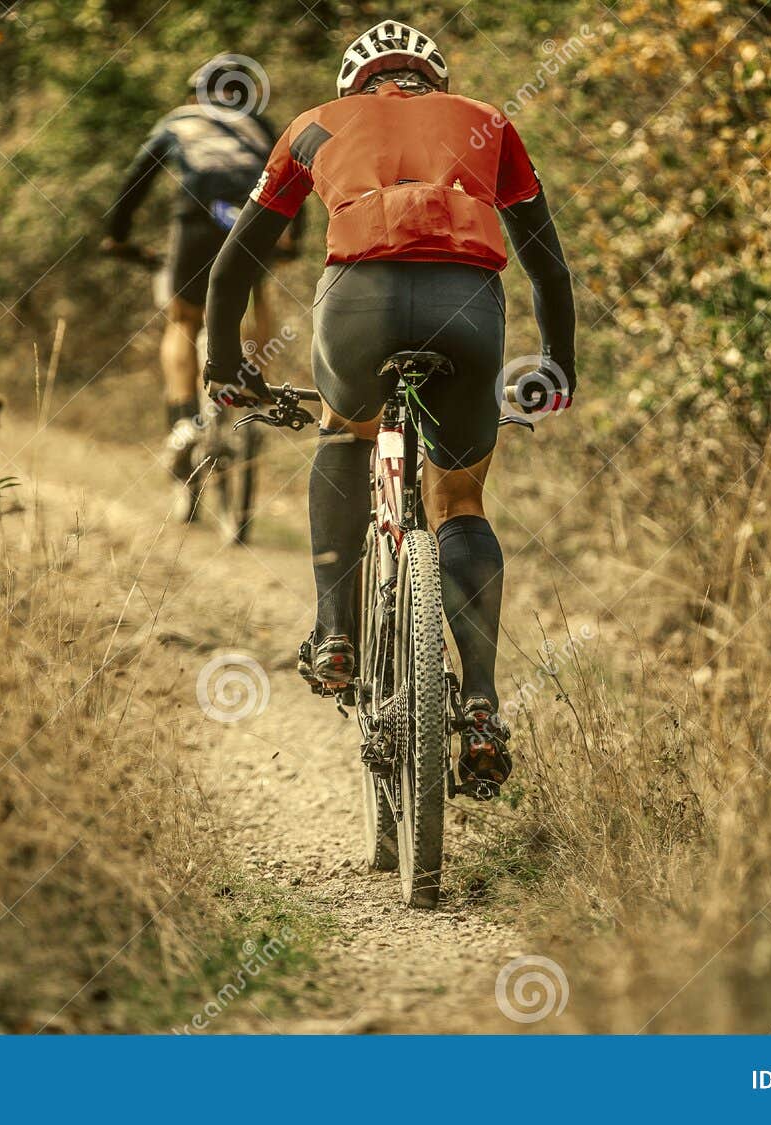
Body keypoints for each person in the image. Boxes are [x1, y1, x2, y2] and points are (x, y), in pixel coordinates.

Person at [203, 20, 576, 792]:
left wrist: (222, 364)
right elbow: (548, 264)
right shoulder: (488, 122)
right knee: (462, 497)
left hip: (359, 303)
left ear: (356, 85)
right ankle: (479, 706)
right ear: (432, 82)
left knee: (345, 429)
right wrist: (558, 366)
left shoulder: (314, 125)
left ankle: (335, 633)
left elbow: (235, 260)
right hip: (467, 304)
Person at [104, 54, 297, 518]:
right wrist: (293, 238)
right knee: (257, 293)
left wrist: (117, 236)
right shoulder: (261, 125)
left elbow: (135, 182)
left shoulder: (180, 120)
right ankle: (255, 381)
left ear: (194, 93)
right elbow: (294, 174)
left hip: (198, 218)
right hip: (254, 218)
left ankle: (186, 418)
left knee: (183, 318)